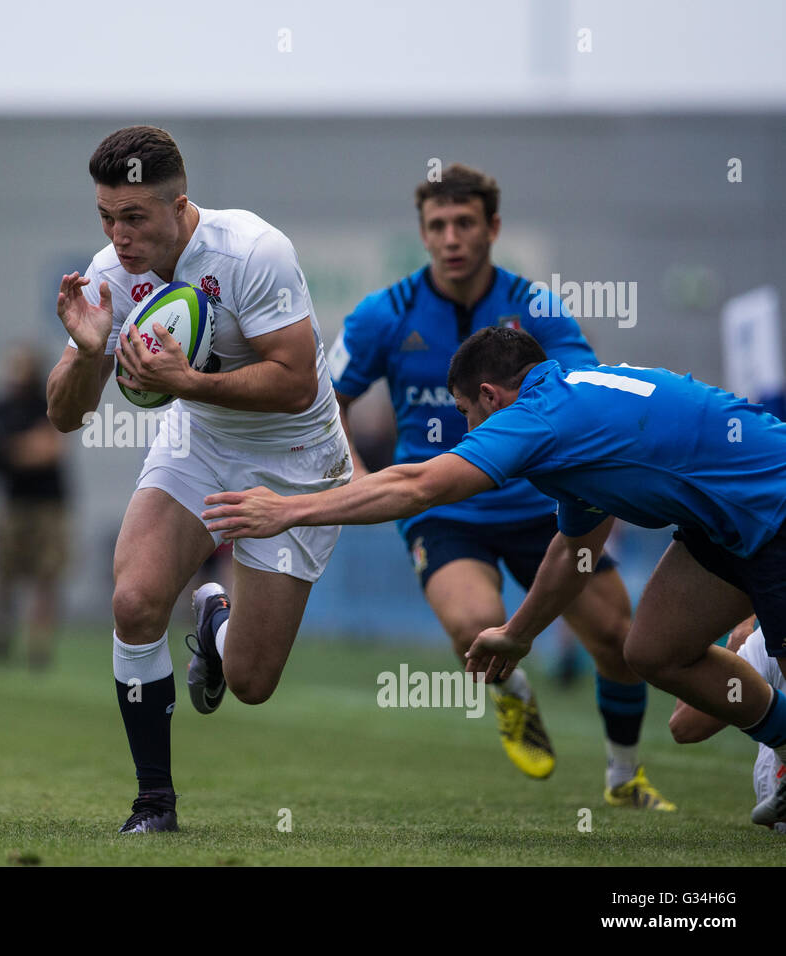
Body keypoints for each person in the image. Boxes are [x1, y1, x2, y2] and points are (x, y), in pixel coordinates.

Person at [203, 325, 786, 827]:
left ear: (488, 395)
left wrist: (286, 510)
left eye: (465, 414)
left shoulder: (542, 413)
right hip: (725, 524)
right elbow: (573, 549)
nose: (468, 428)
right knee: (654, 653)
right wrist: (519, 632)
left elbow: (420, 485)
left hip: (775, 506)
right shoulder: (572, 408)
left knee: (692, 714)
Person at [329, 164, 669, 807]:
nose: (452, 238)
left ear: (493, 228)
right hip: (443, 510)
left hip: (542, 507)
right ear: (423, 235)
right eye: (438, 226)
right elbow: (327, 405)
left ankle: (625, 778)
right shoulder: (384, 314)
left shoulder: (537, 309)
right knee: (476, 627)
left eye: (465, 223)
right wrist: (358, 474)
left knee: (620, 640)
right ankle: (514, 698)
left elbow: (586, 397)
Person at [46, 126, 351, 832]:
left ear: (180, 205)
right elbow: (66, 417)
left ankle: (217, 624)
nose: (118, 237)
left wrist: (184, 380)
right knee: (134, 600)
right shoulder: (109, 275)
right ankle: (154, 802)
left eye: (134, 218)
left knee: (250, 681)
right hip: (203, 440)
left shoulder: (252, 251)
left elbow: (295, 382)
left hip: (296, 457)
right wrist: (89, 354)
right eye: (105, 217)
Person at [0, 345, 69, 669]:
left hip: (48, 507)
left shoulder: (48, 405)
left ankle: (39, 648)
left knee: (45, 579)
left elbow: (47, 450)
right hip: (9, 506)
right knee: (1, 579)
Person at [669, 618, 786, 833]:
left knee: (645, 654)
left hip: (778, 813)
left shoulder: (771, 633)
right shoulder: (770, 635)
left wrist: (729, 656)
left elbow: (686, 726)